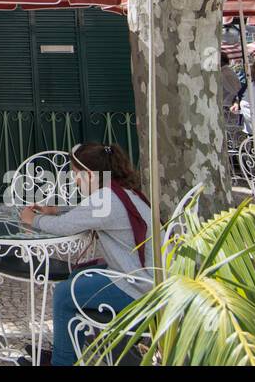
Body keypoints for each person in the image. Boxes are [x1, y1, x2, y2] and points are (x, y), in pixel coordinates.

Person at [17, 142, 153, 367]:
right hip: (143, 276)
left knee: (64, 293)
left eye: (75, 174)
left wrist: (33, 219)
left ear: (89, 174)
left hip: (139, 287)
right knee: (77, 278)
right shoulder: (120, 192)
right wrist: (58, 210)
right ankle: (66, 352)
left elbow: (65, 227)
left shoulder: (105, 200)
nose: (74, 180)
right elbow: (86, 214)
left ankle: (62, 362)